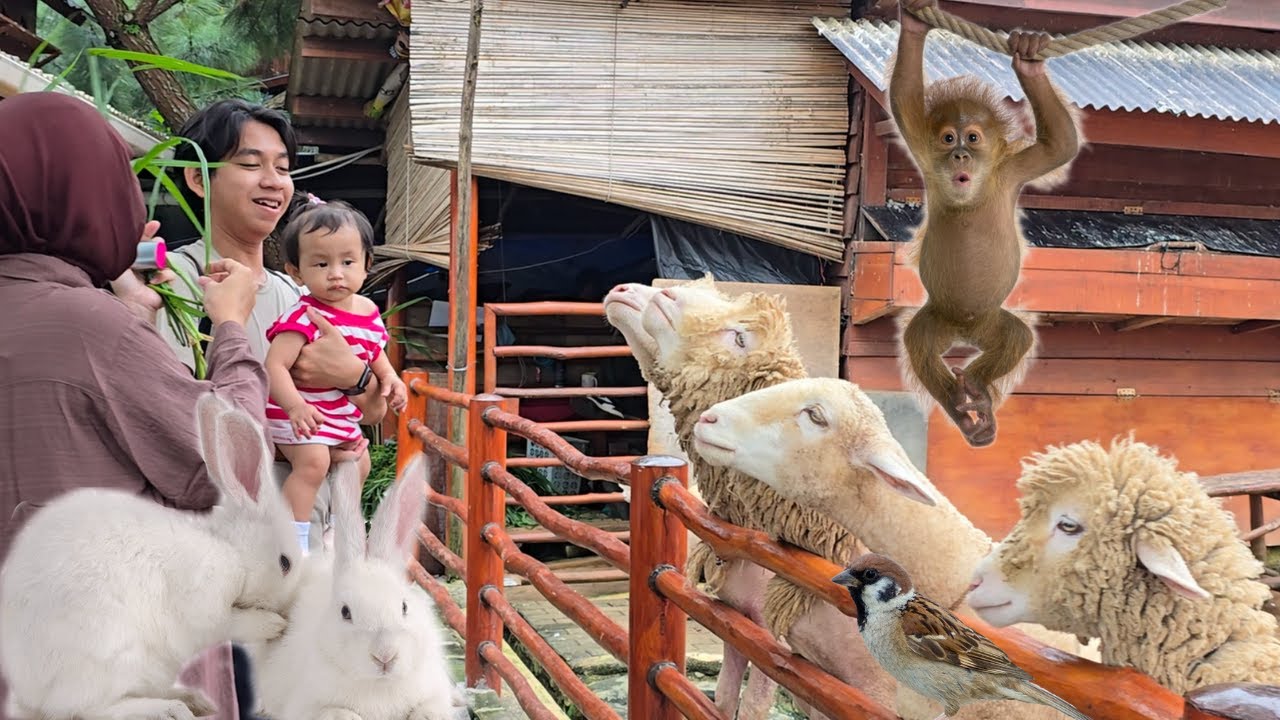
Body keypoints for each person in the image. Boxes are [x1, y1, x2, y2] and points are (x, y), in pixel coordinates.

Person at [0, 93, 264, 720]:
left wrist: (128, 316)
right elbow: (231, 466)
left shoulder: (79, 318)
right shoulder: (88, 327)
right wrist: (231, 329)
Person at [264, 198, 407, 554]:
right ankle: (292, 540)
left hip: (335, 417)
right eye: (321, 264)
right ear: (296, 272)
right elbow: (275, 366)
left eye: (347, 262)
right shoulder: (303, 315)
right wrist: (296, 406)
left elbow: (376, 354)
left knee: (361, 459)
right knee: (314, 463)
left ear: (367, 265)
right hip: (298, 416)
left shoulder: (369, 311)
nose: (336, 273)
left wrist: (391, 380)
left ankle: (339, 527)